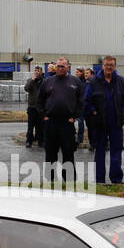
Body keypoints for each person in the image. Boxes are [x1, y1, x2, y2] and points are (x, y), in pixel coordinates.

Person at [83, 55, 124, 184]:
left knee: (116, 152)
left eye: (111, 65)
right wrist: (93, 112)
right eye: (106, 65)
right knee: (99, 152)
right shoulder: (93, 82)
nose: (109, 67)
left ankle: (116, 179)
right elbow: (87, 101)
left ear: (115, 66)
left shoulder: (120, 81)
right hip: (100, 123)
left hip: (116, 123)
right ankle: (99, 180)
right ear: (102, 66)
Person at [38, 56, 83, 188]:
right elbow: (39, 101)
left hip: (67, 123)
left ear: (68, 67)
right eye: (58, 66)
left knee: (68, 153)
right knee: (50, 153)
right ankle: (50, 180)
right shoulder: (47, 82)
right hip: (50, 123)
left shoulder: (76, 82)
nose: (60, 68)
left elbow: (81, 102)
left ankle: (69, 180)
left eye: (62, 66)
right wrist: (44, 116)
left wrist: (74, 117)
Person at [24, 65, 45, 148]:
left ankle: (41, 141)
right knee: (30, 126)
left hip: (41, 107)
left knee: (40, 126)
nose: (36, 72)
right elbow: (26, 88)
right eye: (35, 70)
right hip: (32, 107)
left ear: (41, 71)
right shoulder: (30, 80)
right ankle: (29, 141)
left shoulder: (44, 81)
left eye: (38, 70)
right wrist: (32, 80)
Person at [74, 67, 89, 147]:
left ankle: (80, 138)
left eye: (78, 72)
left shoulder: (85, 82)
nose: (76, 73)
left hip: (83, 105)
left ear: (81, 73)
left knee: (81, 122)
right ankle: (77, 138)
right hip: (78, 105)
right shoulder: (76, 81)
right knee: (78, 121)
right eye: (76, 72)